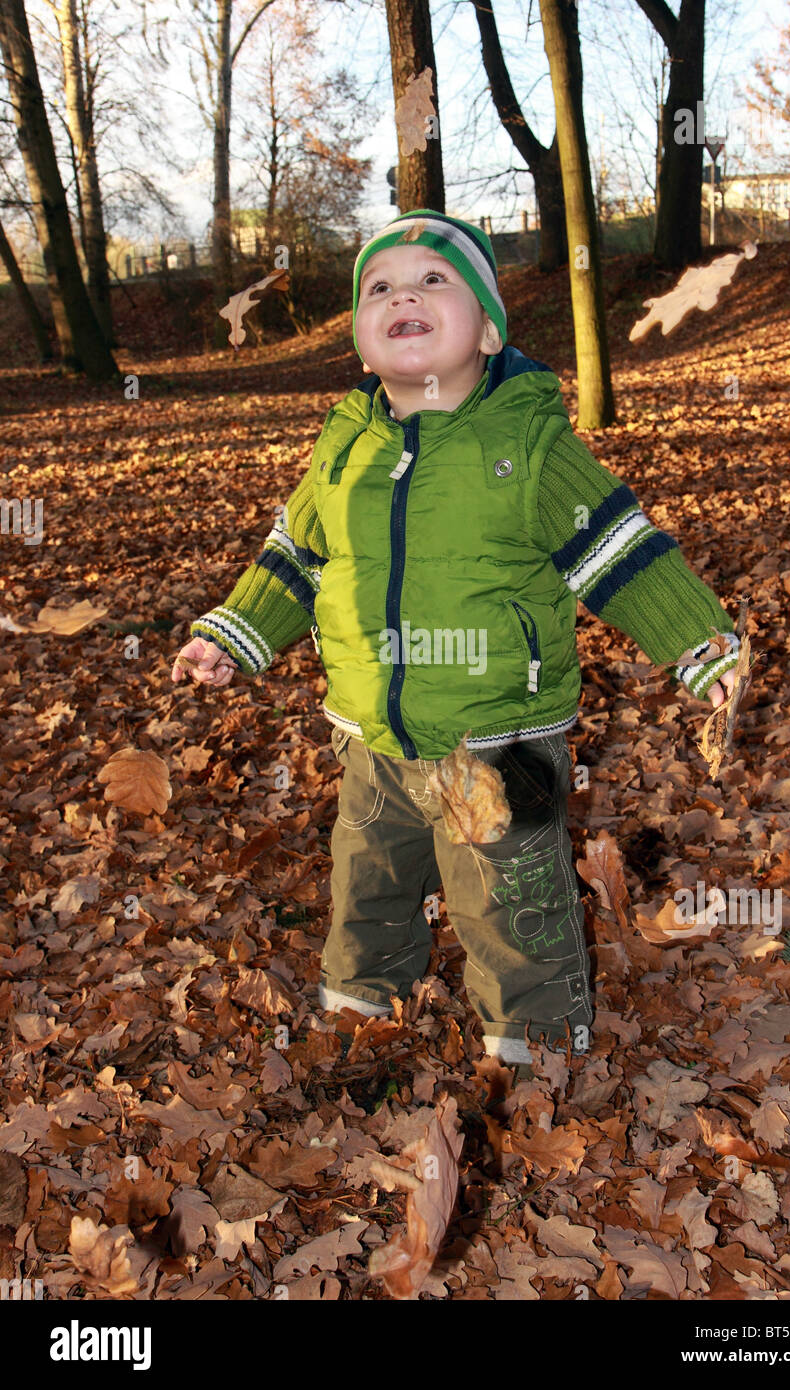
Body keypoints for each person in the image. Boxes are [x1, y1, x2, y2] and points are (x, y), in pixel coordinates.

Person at [172, 208, 740, 1076]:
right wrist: (237, 633)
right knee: (366, 891)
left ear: (486, 326)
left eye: (434, 281)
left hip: (498, 738)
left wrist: (701, 644)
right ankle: (366, 1026)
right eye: (380, 288)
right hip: (373, 739)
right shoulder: (345, 446)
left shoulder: (530, 444)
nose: (404, 295)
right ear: (362, 342)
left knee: (514, 911)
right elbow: (296, 555)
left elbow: (622, 550)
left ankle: (537, 1063)